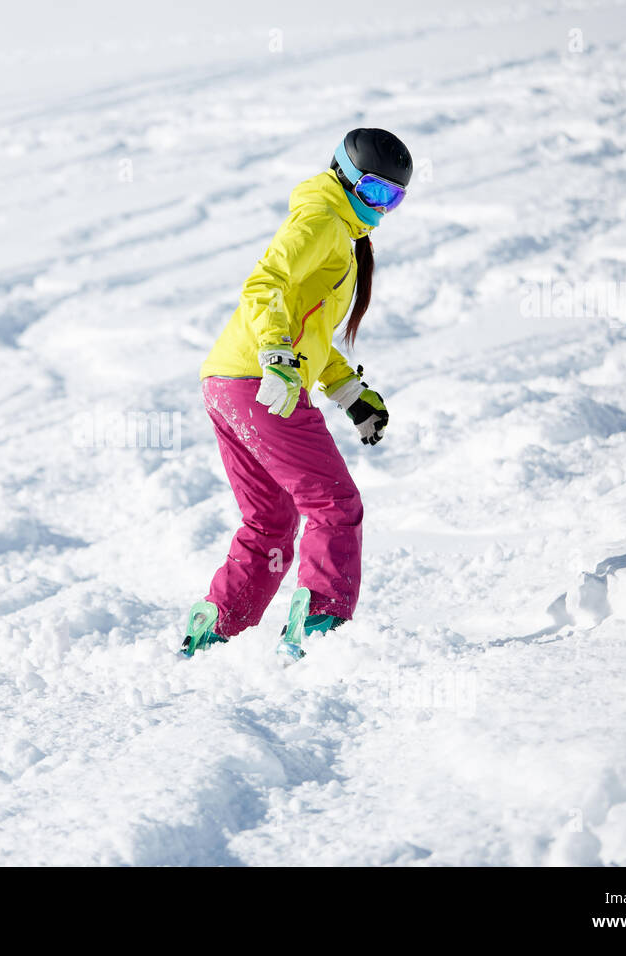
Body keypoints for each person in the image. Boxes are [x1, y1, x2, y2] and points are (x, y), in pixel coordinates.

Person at [181, 128, 413, 660]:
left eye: (394, 199)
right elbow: (265, 284)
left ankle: (214, 635)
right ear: (346, 177)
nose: (383, 208)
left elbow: (312, 334)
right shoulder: (322, 219)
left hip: (228, 380)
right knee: (335, 504)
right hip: (258, 380)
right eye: (376, 192)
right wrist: (276, 357)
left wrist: (350, 392)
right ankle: (321, 629)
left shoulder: (339, 231)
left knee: (271, 521)